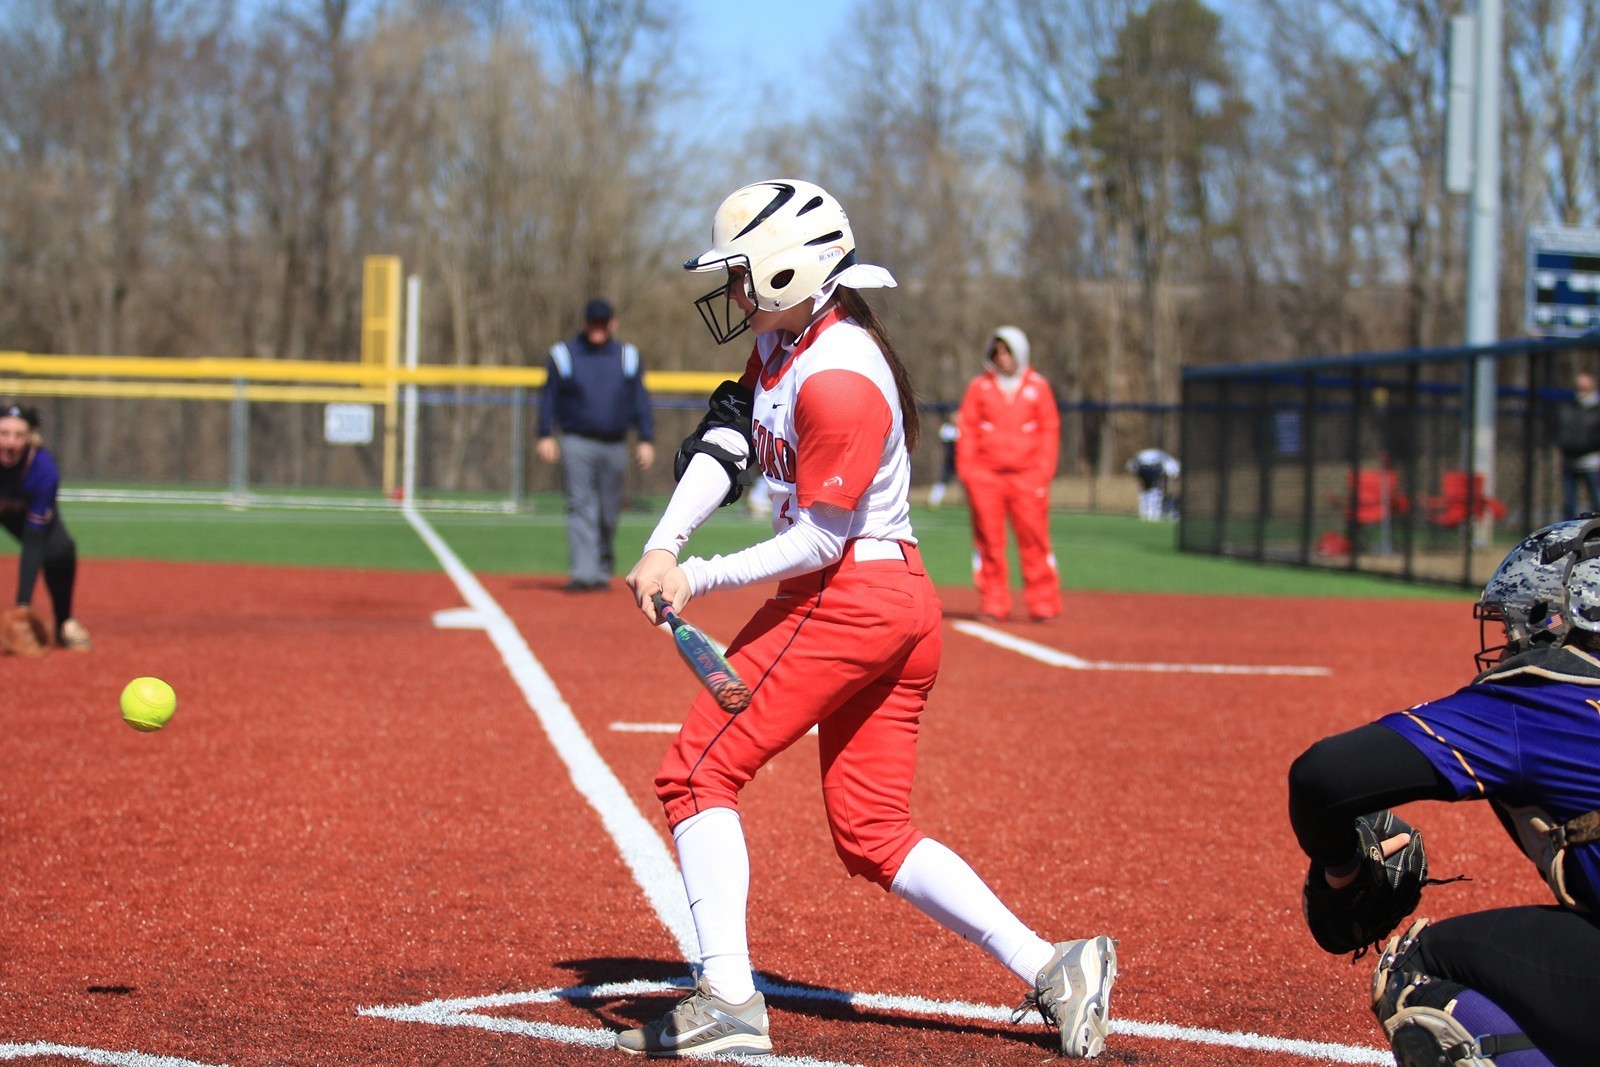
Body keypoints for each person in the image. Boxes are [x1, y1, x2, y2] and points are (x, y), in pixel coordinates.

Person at [619, 179, 1117, 1060]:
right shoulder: (787, 340)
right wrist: (664, 541)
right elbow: (728, 434)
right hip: (888, 598)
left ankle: (728, 999)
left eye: (743, 273)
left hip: (847, 596)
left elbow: (817, 538)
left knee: (694, 776)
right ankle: (1054, 965)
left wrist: (696, 573)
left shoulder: (841, 374)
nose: (732, 292)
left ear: (786, 271)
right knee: (871, 831)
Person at [1287, 515, 1600, 1067]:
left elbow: (1323, 777)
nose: (1511, 644)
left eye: (1523, 623)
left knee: (1418, 967)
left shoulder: (1545, 695)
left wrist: (1343, 869)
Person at [536, 298, 655, 591]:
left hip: (615, 443)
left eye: (603, 323)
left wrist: (645, 438)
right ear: (585, 323)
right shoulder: (564, 354)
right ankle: (583, 572)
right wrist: (544, 433)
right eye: (593, 323)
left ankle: (602, 562)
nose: (598, 329)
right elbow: (548, 397)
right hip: (577, 441)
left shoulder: (628, 355)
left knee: (609, 509)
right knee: (580, 506)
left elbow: (640, 399)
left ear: (612, 323)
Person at [955, 326, 1061, 623]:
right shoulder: (979, 388)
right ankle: (993, 602)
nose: (1002, 358)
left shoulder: (1038, 387)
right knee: (989, 542)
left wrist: (1043, 474)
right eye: (997, 351)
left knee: (1035, 540)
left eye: (1008, 351)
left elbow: (1049, 432)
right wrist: (968, 474)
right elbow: (968, 431)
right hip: (986, 478)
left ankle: (1043, 603)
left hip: (1028, 478)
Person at [0, 403, 90, 651]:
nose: (9, 443)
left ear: (30, 438)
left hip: (24, 516)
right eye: (3, 434)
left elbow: (34, 539)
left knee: (60, 550)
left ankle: (64, 623)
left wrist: (22, 606)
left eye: (18, 435)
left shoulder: (43, 470)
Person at [1554, 371, 1600, 519]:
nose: (1580, 391)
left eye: (1584, 388)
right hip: (1570, 461)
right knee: (1569, 504)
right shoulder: (1569, 406)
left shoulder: (1596, 409)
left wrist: (1586, 446)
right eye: (1578, 387)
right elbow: (1561, 430)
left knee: (1596, 502)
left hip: (1592, 463)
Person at [1126, 447, 1180, 522]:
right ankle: (1153, 515)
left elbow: (1132, 466)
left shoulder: (1159, 456)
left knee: (1145, 493)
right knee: (1155, 493)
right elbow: (1172, 473)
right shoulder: (1168, 460)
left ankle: (1145, 514)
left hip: (1142, 466)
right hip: (1151, 466)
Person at [927, 416, 959, 508]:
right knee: (943, 480)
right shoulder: (947, 429)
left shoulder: (962, 428)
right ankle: (933, 502)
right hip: (950, 460)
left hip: (962, 460)